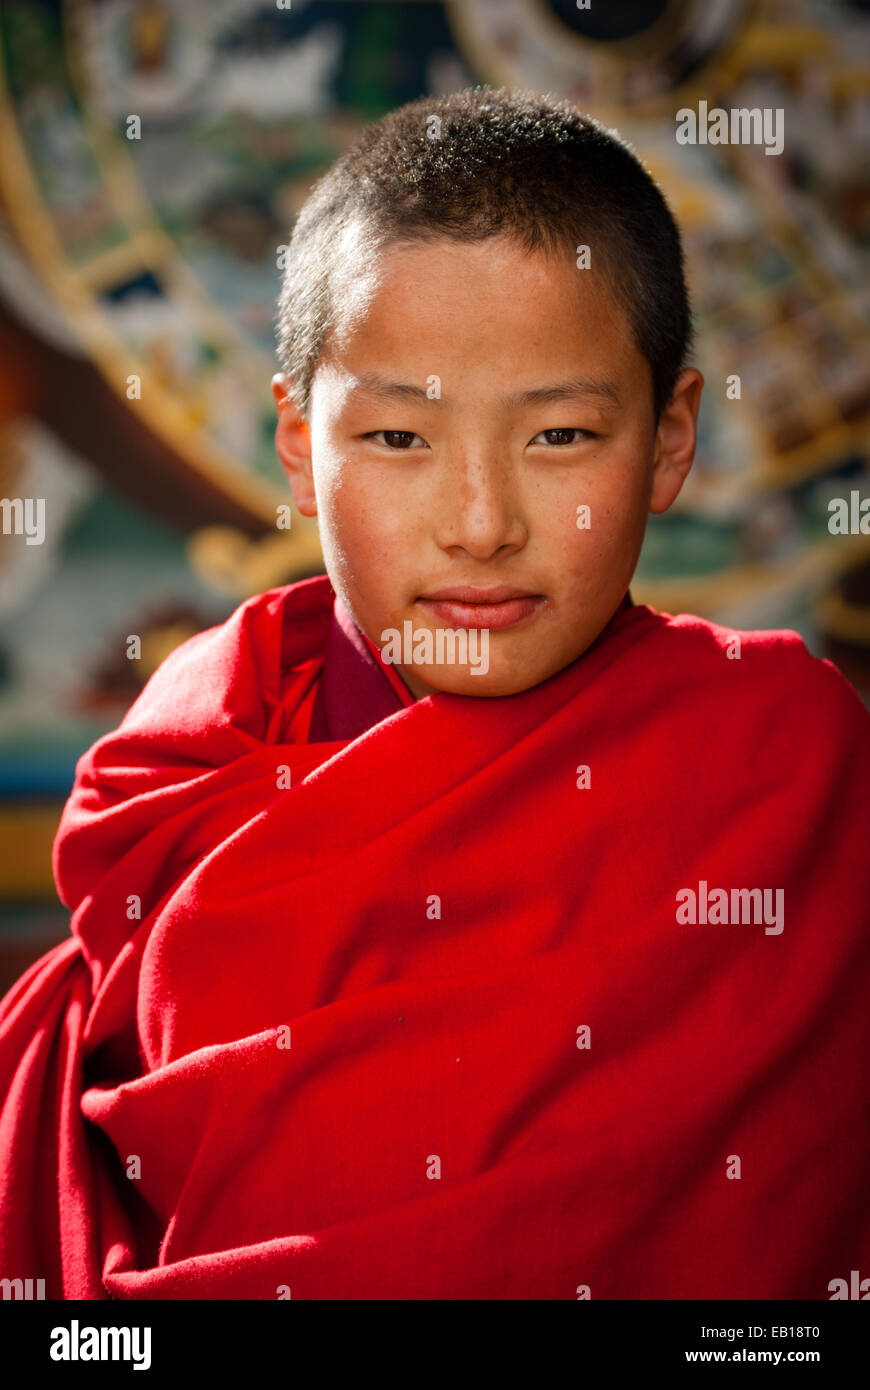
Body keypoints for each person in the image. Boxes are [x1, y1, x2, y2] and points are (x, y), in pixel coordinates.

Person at [1, 87, 867, 1301]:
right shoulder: (185, 787)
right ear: (300, 448)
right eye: (400, 440)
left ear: (672, 438)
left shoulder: (781, 765)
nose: (480, 526)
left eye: (560, 436)